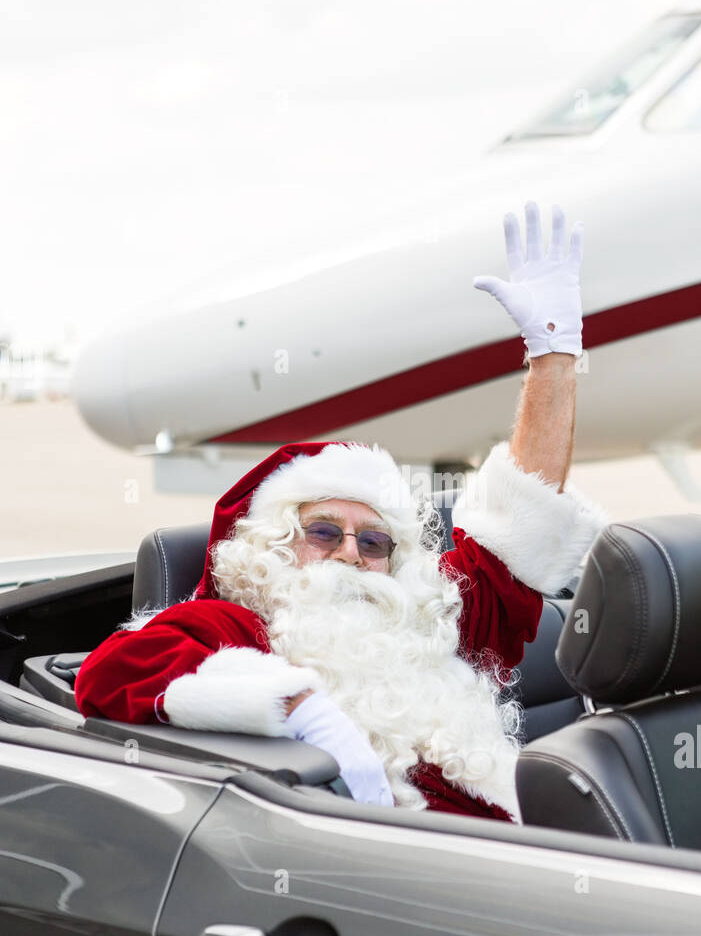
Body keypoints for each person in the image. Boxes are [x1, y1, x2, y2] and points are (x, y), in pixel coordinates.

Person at [75, 202, 607, 822]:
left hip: (513, 855)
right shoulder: (242, 626)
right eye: (324, 531)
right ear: (272, 546)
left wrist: (553, 355)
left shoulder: (426, 620)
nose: (352, 552)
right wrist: (304, 710)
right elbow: (110, 674)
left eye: (375, 542)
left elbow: (525, 514)